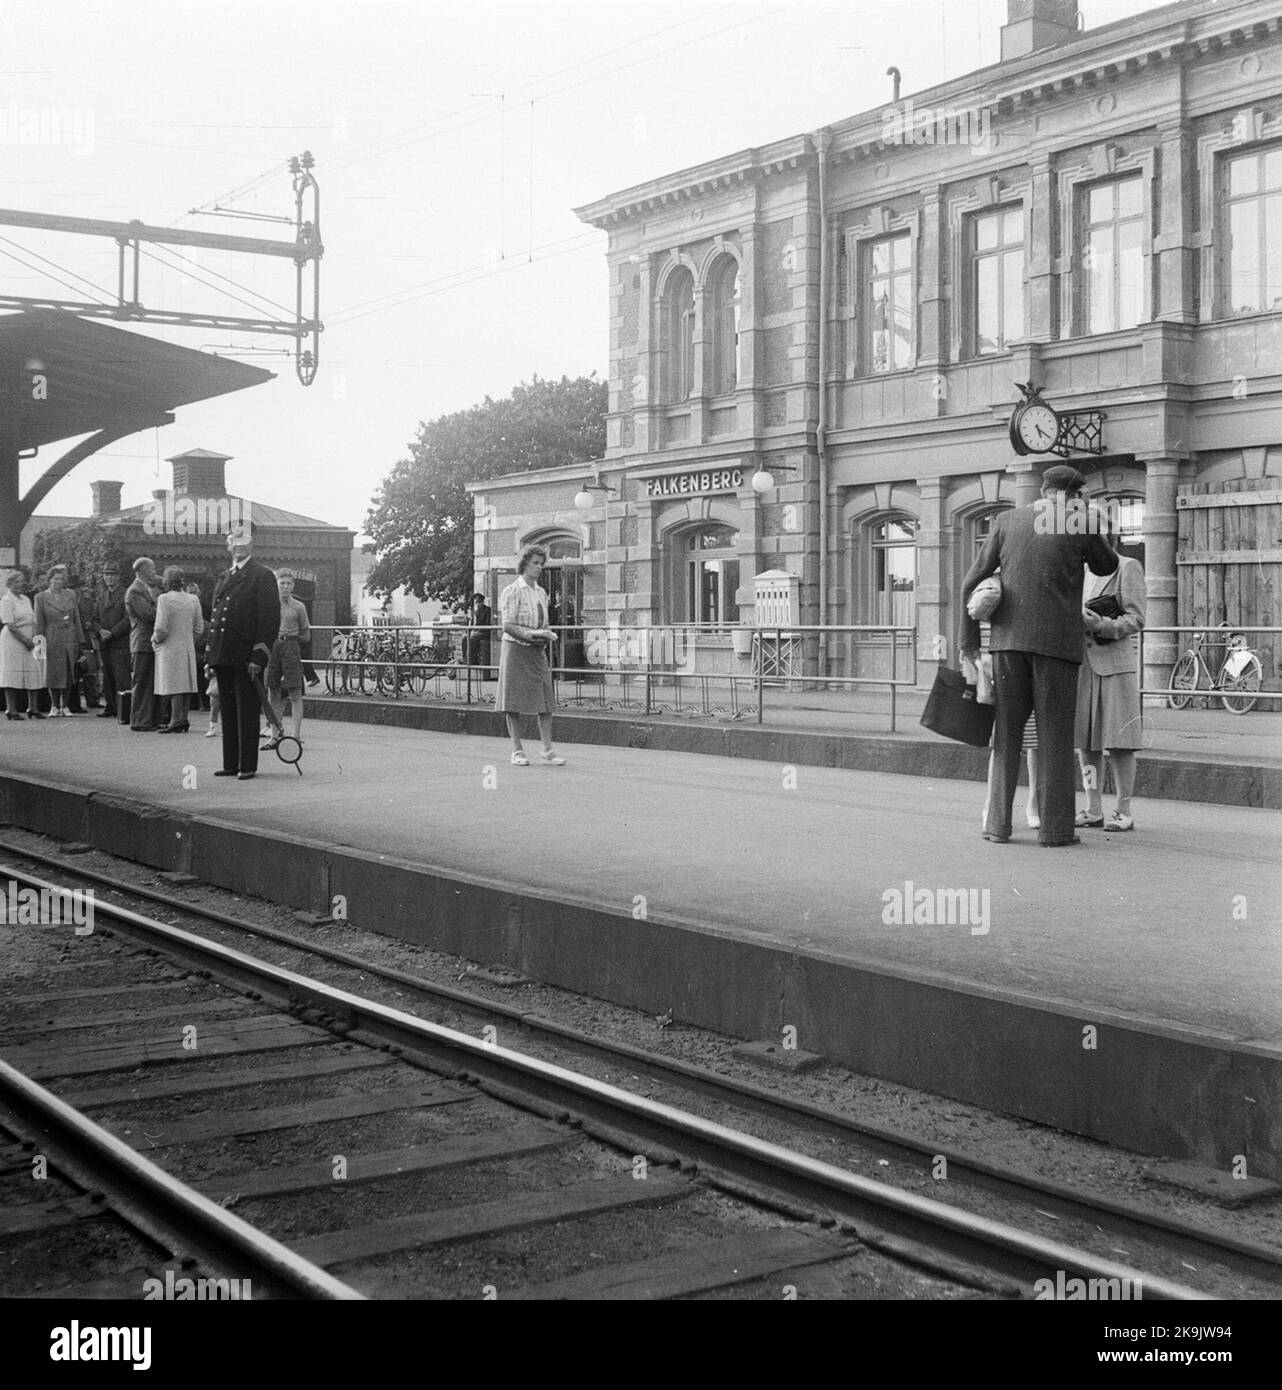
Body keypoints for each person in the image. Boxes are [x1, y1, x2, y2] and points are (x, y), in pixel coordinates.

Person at [960, 465, 1118, 847]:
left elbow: (970, 581)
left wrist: (970, 645)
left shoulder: (1006, 520)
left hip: (1007, 645)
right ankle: (1055, 830)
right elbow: (1108, 565)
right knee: (1054, 739)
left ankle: (997, 827)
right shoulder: (1079, 522)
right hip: (1057, 648)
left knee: (1006, 738)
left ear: (1044, 491)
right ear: (1073, 495)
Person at [1076, 521, 1147, 833]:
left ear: (1109, 536)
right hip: (1083, 666)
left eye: (1096, 533)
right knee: (1086, 742)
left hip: (1116, 666)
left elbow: (1137, 619)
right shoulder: (1079, 571)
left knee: (1121, 743)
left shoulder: (1127, 567)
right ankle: (1093, 807)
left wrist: (1101, 624)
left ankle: (1123, 809)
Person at [207, 527, 280, 780]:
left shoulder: (262, 575)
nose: (239, 546)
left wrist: (259, 656)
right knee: (228, 709)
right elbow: (215, 618)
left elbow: (269, 619)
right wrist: (210, 655)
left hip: (246, 655)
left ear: (252, 545)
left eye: (244, 541)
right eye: (234, 542)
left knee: (247, 710)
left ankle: (247, 764)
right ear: (228, 546)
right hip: (223, 654)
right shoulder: (224, 576)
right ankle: (231, 763)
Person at [497, 545, 566, 766]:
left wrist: (545, 635)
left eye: (541, 564)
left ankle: (547, 749)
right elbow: (508, 625)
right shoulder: (512, 590)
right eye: (535, 563)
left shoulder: (541, 592)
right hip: (516, 649)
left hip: (537, 650)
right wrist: (529, 636)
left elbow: (544, 622)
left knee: (545, 699)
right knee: (513, 700)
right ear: (524, 564)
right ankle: (517, 750)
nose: (539, 567)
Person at [262, 568, 310, 750]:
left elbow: (306, 634)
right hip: (273, 646)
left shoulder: (299, 606)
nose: (285, 586)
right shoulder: (269, 604)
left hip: (291, 646)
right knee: (272, 690)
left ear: (293, 586)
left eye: (288, 583)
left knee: (295, 691)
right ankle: (274, 735)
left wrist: (292, 638)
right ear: (276, 584)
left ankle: (296, 735)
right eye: (282, 583)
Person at [152, 566, 204, 734]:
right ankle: (183, 718)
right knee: (186, 683)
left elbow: (161, 627)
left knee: (173, 684)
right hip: (187, 646)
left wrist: (155, 640)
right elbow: (199, 627)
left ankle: (175, 720)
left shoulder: (164, 599)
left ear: (166, 581)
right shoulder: (193, 599)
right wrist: (189, 640)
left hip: (169, 647)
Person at [34, 564, 87, 716]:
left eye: (61, 579)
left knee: (69, 671)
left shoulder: (70, 594)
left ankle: (66, 706)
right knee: (52, 672)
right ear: (49, 580)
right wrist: (38, 647)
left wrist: (80, 640)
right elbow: (39, 622)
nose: (58, 582)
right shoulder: (41, 597)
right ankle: (54, 706)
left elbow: (76, 618)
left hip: (69, 635)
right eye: (55, 579)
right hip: (51, 636)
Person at [1, 570, 43, 720]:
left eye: (21, 581)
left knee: (34, 671)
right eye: (17, 582)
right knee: (12, 673)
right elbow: (10, 625)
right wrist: (25, 640)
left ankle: (33, 708)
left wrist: (33, 639)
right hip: (13, 640)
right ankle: (11, 709)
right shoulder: (6, 600)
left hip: (30, 638)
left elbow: (33, 620)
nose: (20, 584)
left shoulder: (25, 599)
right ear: (9, 583)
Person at [126, 556, 161, 731]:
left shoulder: (145, 588)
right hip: (141, 642)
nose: (155, 572)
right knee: (142, 683)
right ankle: (140, 721)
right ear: (144, 571)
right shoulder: (135, 591)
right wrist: (162, 605)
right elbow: (147, 614)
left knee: (149, 682)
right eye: (152, 569)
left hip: (147, 643)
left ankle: (148, 719)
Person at [95, 562, 131, 719]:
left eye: (112, 574)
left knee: (121, 677)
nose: (108, 578)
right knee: (108, 677)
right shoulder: (102, 597)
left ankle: (124, 709)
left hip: (120, 642)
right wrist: (100, 630)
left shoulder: (126, 594)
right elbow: (94, 618)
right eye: (106, 574)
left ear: (118, 576)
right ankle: (110, 707)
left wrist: (112, 632)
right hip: (105, 642)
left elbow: (128, 618)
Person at [466, 592, 493, 679]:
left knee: (473, 639)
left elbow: (487, 624)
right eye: (476, 602)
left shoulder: (488, 611)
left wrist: (478, 631)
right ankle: (466, 659)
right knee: (465, 638)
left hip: (485, 632)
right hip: (479, 632)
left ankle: (473, 660)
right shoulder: (476, 612)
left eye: (478, 602)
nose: (477, 604)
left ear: (482, 602)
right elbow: (476, 624)